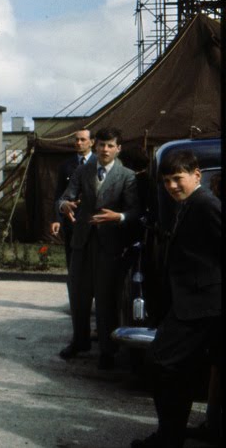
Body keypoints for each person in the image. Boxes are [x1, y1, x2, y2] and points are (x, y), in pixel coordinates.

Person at [132, 150, 221, 448]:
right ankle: (172, 435)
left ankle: (168, 438)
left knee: (161, 363)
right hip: (190, 303)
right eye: (167, 180)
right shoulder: (188, 204)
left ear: (196, 174)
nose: (171, 186)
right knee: (178, 371)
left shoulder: (205, 204)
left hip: (201, 306)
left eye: (177, 178)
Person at [57, 127, 139, 369]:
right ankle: (79, 341)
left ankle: (107, 350)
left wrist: (119, 217)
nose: (105, 150)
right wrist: (65, 207)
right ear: (95, 146)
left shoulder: (127, 176)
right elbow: (65, 197)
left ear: (118, 148)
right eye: (101, 145)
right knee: (79, 295)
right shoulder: (83, 170)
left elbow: (135, 211)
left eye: (110, 145)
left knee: (105, 298)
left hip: (108, 245)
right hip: (82, 242)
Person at [50, 129, 94, 269]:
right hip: (72, 220)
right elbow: (59, 194)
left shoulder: (98, 163)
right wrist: (57, 218)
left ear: (92, 142)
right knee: (73, 263)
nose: (78, 143)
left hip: (94, 220)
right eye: (76, 140)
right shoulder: (66, 166)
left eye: (82, 139)